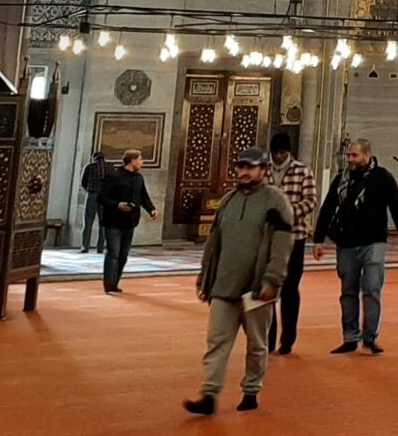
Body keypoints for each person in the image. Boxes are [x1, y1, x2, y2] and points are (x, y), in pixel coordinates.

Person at [184, 148, 293, 416]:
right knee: (217, 342)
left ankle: (251, 390)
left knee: (257, 344)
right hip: (223, 284)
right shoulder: (228, 201)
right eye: (241, 167)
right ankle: (209, 395)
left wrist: (272, 279)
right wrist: (205, 276)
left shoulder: (276, 201)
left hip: (256, 288)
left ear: (264, 170)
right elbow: (214, 241)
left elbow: (282, 245)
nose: (244, 172)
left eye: (251, 167)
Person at [313, 137, 398, 354]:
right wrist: (318, 239)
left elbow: (397, 207)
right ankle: (350, 337)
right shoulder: (341, 180)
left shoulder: (383, 178)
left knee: (371, 289)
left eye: (354, 155)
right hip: (346, 243)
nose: (350, 159)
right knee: (348, 291)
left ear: (367, 155)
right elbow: (328, 208)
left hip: (374, 241)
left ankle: (370, 338)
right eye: (349, 155)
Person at [266, 131, 319, 355]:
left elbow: (310, 202)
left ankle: (288, 338)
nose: (279, 157)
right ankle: (267, 340)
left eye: (283, 153)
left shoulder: (302, 171)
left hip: (294, 237)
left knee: (289, 288)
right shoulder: (264, 170)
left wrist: (287, 212)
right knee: (266, 289)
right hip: (267, 238)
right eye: (276, 153)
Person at [98, 149, 157, 294]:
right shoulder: (113, 176)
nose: (142, 162)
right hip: (113, 221)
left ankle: (115, 282)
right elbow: (102, 197)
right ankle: (109, 284)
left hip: (130, 222)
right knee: (113, 253)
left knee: (123, 254)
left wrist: (152, 209)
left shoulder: (139, 178)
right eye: (140, 159)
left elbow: (143, 196)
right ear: (132, 161)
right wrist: (117, 205)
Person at [79, 151, 110, 252]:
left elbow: (83, 182)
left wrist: (89, 190)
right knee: (103, 224)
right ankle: (100, 248)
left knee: (88, 222)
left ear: (93, 158)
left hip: (92, 195)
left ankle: (85, 246)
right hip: (105, 197)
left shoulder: (89, 167)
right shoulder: (109, 167)